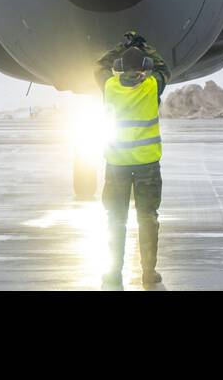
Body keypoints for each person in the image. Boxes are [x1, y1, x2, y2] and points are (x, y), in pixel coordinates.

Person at [96, 32, 169, 289]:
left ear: (121, 68)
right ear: (144, 69)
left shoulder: (109, 87)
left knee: (116, 219)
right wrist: (143, 45)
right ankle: (149, 273)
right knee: (147, 218)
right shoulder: (151, 87)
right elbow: (163, 68)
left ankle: (114, 272)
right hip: (147, 164)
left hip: (117, 164)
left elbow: (101, 66)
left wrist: (122, 46)